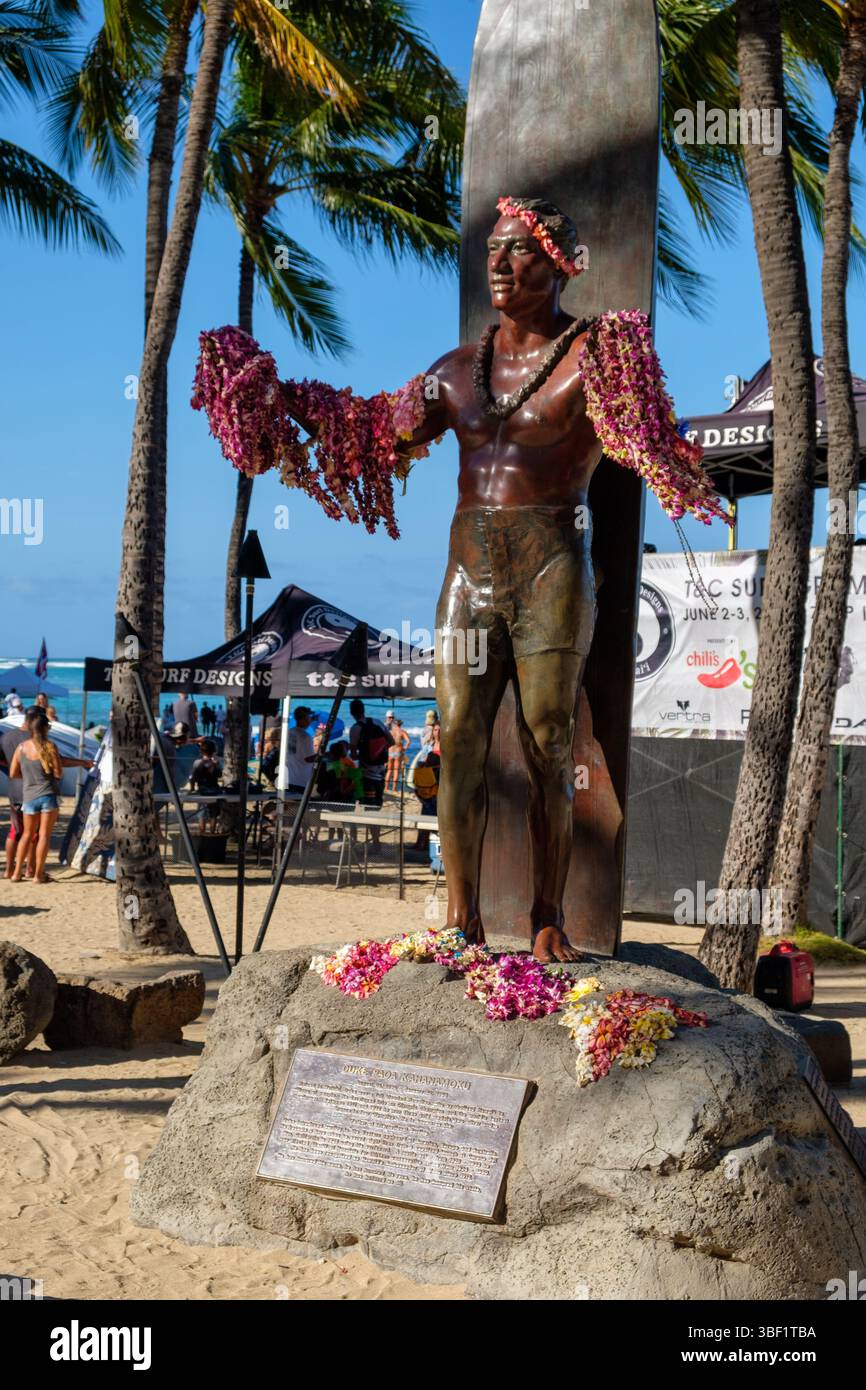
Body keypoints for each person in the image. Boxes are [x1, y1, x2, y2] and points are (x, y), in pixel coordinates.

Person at [7, 708, 92, 883]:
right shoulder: (50, 747)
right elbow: (59, 774)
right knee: (44, 836)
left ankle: (16, 873)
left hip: (29, 796)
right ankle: (38, 875)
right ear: (45, 728)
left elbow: (13, 773)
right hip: (48, 795)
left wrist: (30, 776)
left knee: (26, 835)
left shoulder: (21, 748)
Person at [348, 699, 390, 811]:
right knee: (377, 806)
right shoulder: (377, 722)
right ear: (364, 710)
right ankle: (375, 829)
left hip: (366, 775)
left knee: (368, 807)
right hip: (381, 773)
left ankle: (370, 827)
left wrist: (363, 753)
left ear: (351, 712)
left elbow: (353, 755)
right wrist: (378, 750)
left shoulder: (355, 728)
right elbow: (391, 742)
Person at [1, 718, 30, 879]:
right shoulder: (35, 738)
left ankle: (8, 869)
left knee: (14, 831)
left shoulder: (6, 737)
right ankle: (28, 869)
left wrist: (11, 765)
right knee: (33, 833)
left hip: (14, 788)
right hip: (31, 789)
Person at [285, 707, 316, 794]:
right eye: (310, 716)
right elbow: (308, 759)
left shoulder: (288, 732)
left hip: (288, 778)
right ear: (305, 718)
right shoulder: (305, 736)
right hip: (300, 780)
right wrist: (322, 755)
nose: (311, 719)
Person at [385, 716, 411, 793]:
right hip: (398, 752)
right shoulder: (402, 732)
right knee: (396, 770)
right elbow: (408, 741)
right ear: (400, 725)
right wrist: (405, 747)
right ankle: (394, 788)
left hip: (390, 752)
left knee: (389, 770)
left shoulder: (390, 732)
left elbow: (385, 742)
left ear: (394, 724)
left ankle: (386, 788)